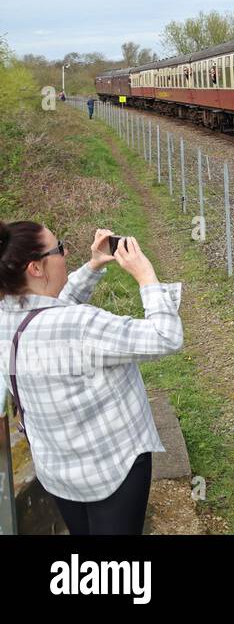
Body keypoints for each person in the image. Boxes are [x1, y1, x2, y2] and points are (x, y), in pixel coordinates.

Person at [0, 225, 183, 535]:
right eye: (58, 248)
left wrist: (95, 264)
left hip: (58, 471)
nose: (66, 252)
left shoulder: (7, 316)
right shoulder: (81, 325)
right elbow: (166, 337)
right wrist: (146, 277)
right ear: (35, 267)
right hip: (115, 468)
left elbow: (48, 306)